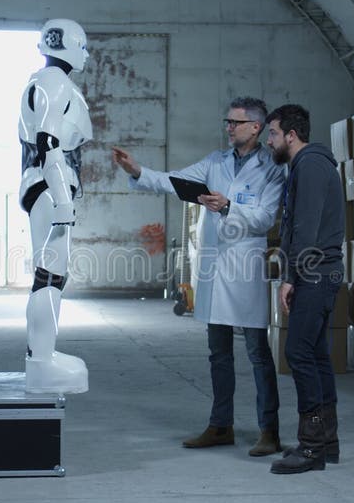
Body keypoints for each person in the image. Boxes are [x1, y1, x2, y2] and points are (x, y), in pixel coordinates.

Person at [111, 97, 286, 456]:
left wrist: (230, 207)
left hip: (245, 265)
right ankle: (220, 425)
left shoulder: (272, 169)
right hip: (213, 265)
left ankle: (269, 430)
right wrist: (137, 170)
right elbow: (173, 181)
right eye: (227, 122)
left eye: (235, 122)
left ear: (256, 127)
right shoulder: (214, 162)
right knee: (218, 353)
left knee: (257, 352)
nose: (229, 127)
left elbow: (267, 217)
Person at [264, 104, 345, 474]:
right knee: (315, 354)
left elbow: (306, 228)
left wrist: (290, 277)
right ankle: (326, 442)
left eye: (273, 134)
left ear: (291, 135)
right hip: (320, 272)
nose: (270, 141)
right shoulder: (306, 165)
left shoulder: (310, 166)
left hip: (315, 273)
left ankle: (312, 447)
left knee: (297, 352)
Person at [17, 19, 93, 394]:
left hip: (43, 184)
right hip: (50, 185)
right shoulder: (55, 83)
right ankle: (42, 364)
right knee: (50, 276)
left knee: (48, 277)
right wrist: (63, 198)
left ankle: (41, 358)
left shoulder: (42, 79)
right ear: (72, 45)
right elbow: (49, 142)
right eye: (84, 47)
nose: (87, 54)